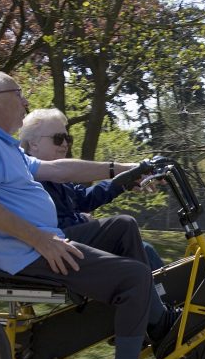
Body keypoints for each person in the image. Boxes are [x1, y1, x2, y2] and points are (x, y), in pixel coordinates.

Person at [0, 69, 179, 359]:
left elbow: (59, 170)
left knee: (123, 226)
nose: (25, 101)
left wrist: (131, 169)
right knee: (136, 277)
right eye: (18, 93)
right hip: (28, 253)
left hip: (40, 243)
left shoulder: (0, 144)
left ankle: (155, 323)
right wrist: (41, 240)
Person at [18, 108, 164, 270]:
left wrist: (123, 183)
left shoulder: (59, 178)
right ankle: (151, 293)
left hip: (72, 244)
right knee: (124, 227)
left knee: (145, 249)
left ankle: (160, 293)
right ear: (34, 144)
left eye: (68, 138)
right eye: (58, 139)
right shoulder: (28, 177)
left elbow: (84, 198)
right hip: (56, 251)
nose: (65, 144)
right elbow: (54, 223)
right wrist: (83, 220)